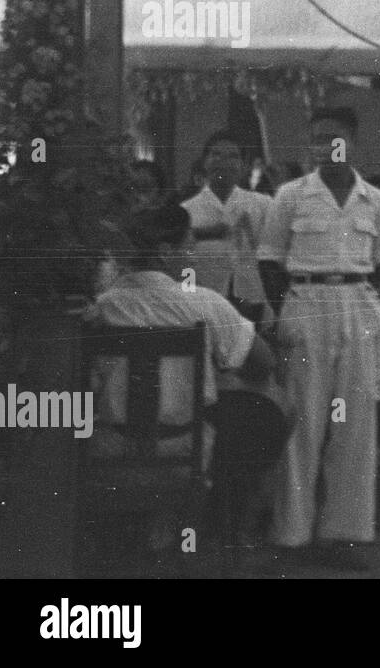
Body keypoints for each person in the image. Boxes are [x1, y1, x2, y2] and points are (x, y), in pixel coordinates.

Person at [85, 206, 277, 564]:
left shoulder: (101, 307)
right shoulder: (204, 303)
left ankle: (143, 540)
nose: (193, 256)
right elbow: (264, 362)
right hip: (180, 458)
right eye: (188, 247)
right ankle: (211, 537)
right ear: (165, 253)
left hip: (108, 457)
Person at [257, 106, 380, 572]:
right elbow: (270, 259)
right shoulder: (291, 196)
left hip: (356, 301)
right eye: (317, 139)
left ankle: (344, 533)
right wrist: (286, 315)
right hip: (307, 300)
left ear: (353, 142)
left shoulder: (373, 199)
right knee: (304, 418)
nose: (326, 146)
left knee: (355, 422)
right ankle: (292, 533)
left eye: (335, 138)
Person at [181, 129, 274, 311]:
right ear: (204, 162)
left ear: (243, 165)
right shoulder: (186, 210)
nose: (223, 162)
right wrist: (189, 299)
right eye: (216, 155)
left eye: (233, 156)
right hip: (205, 302)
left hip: (252, 299)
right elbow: (183, 262)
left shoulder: (262, 205)